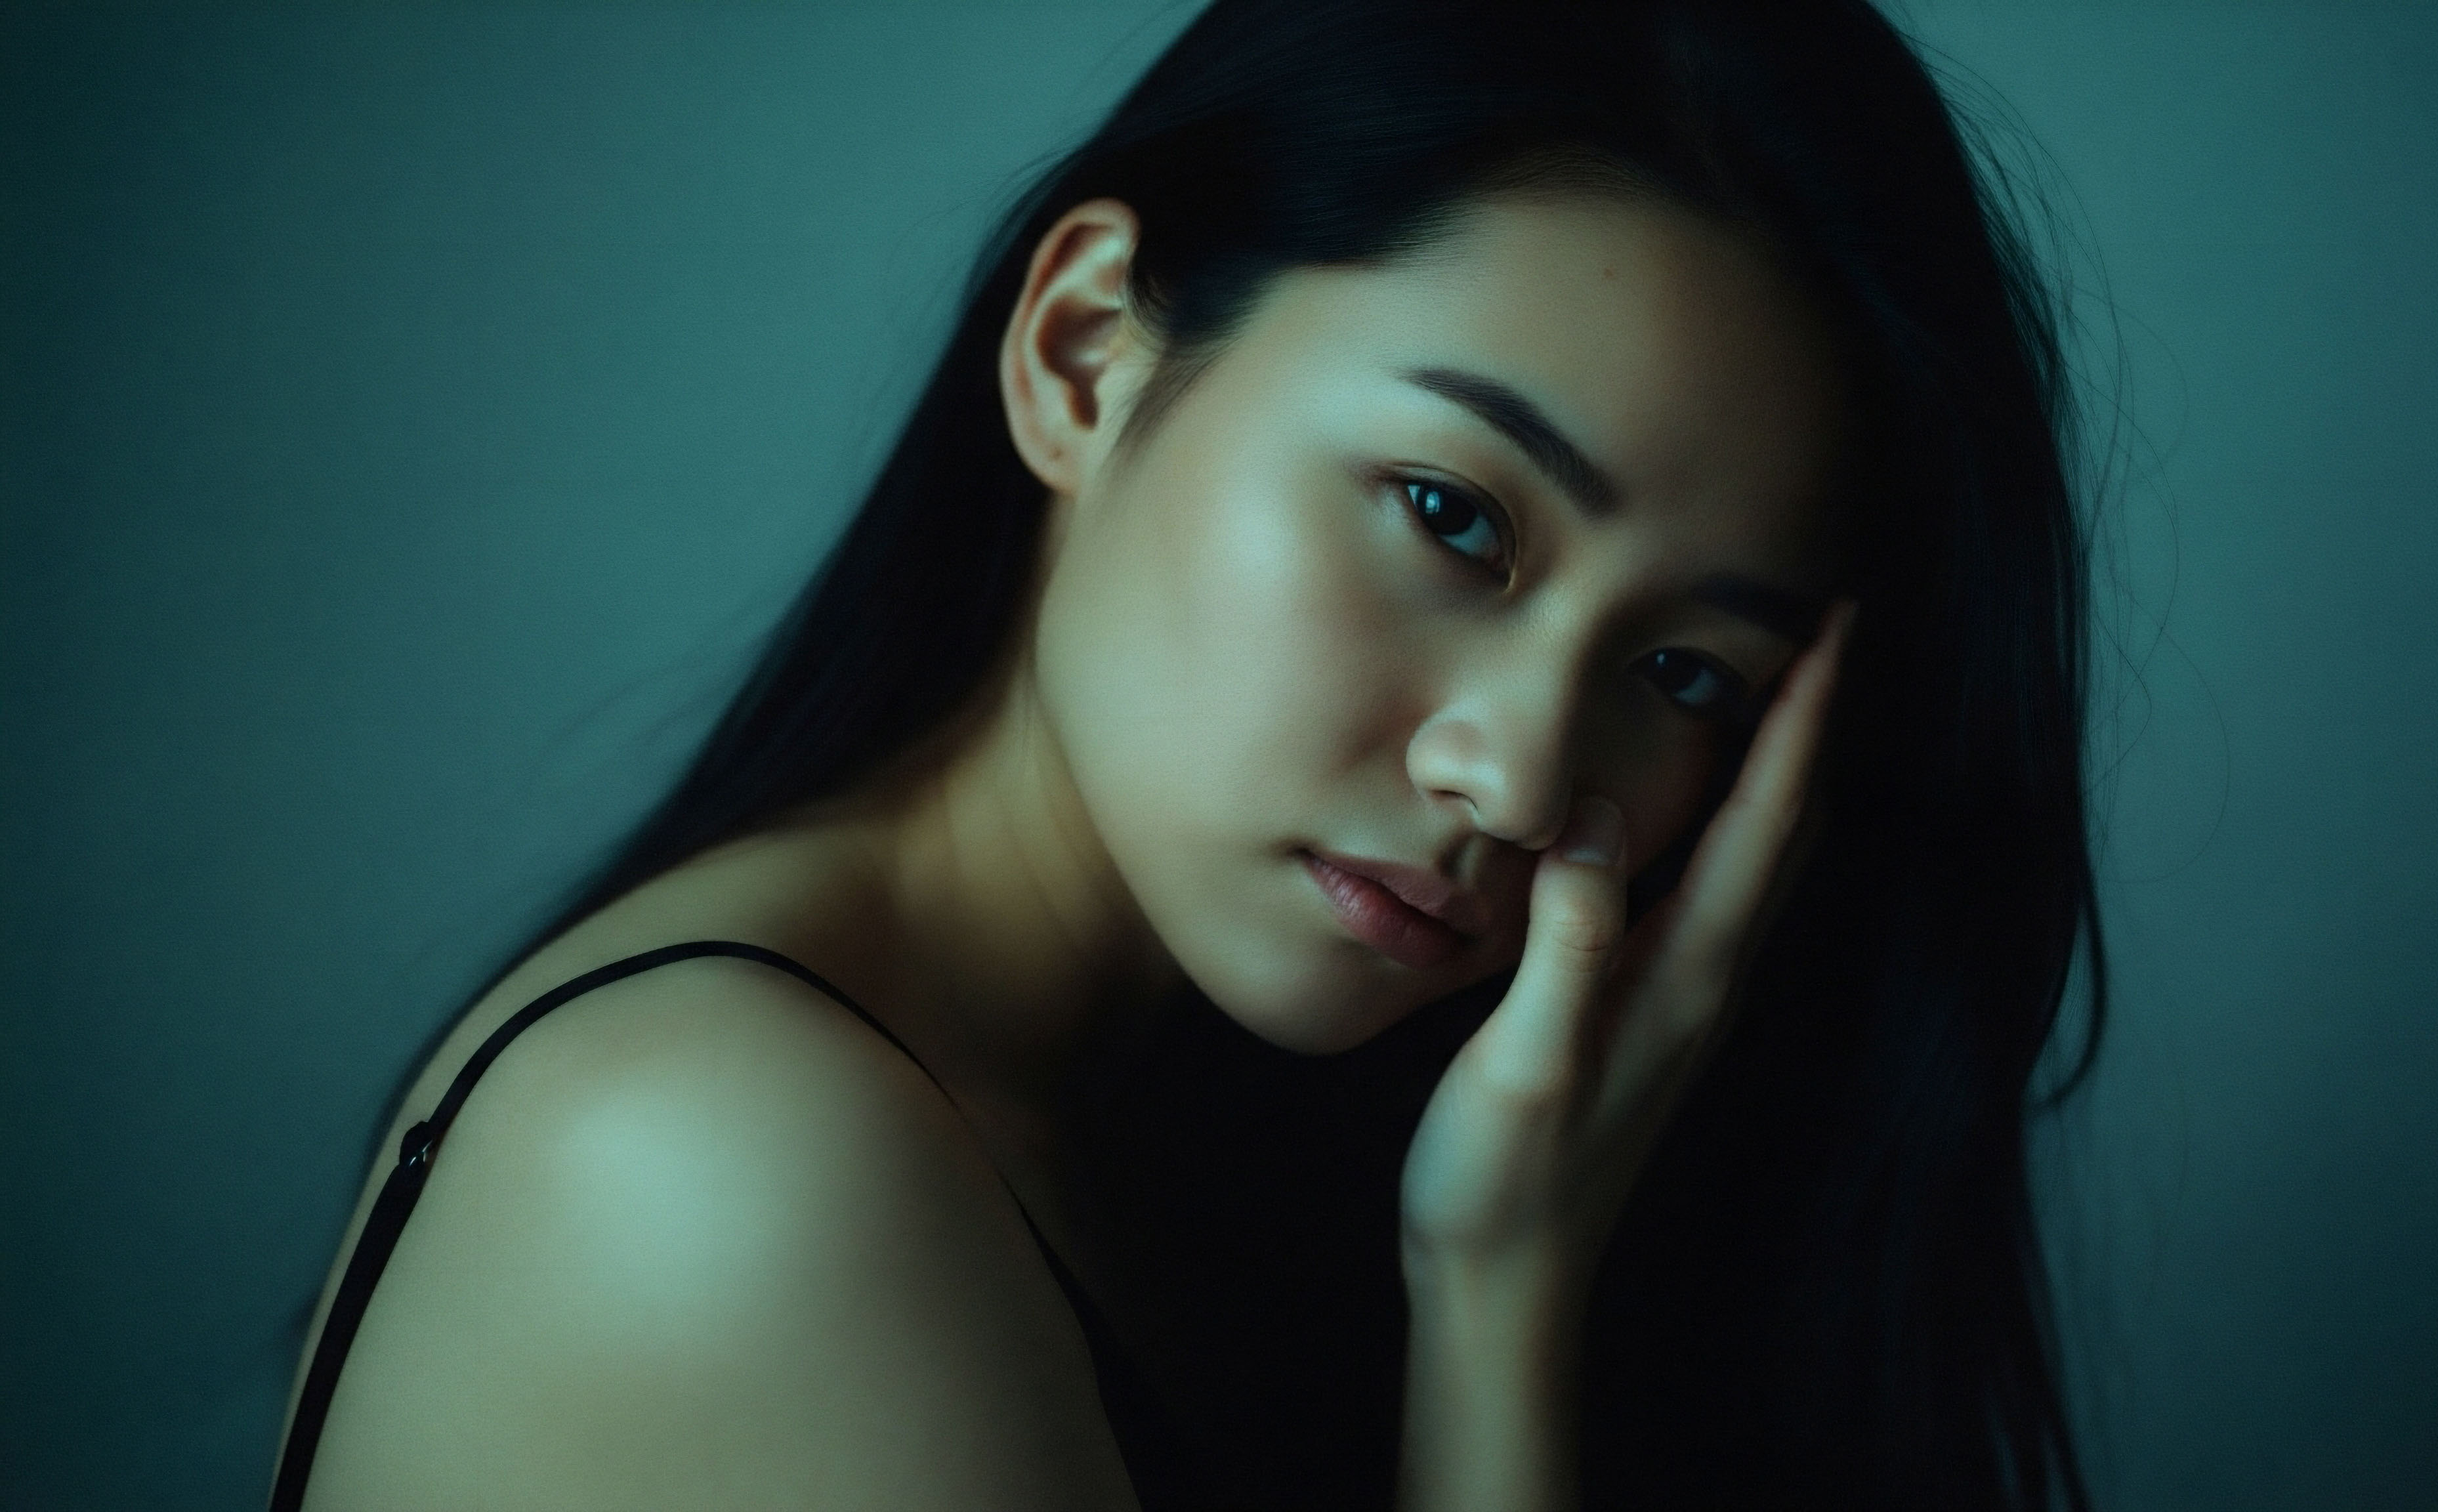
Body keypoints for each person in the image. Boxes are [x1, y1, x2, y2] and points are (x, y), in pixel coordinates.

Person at [270, 0, 2105, 1506]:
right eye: (1453, 518)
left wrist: (1508, 1269)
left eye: (1691, 676)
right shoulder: (725, 1161)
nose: (1529, 779)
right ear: (1084, 358)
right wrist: (1495, 1334)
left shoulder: (1182, 1131)